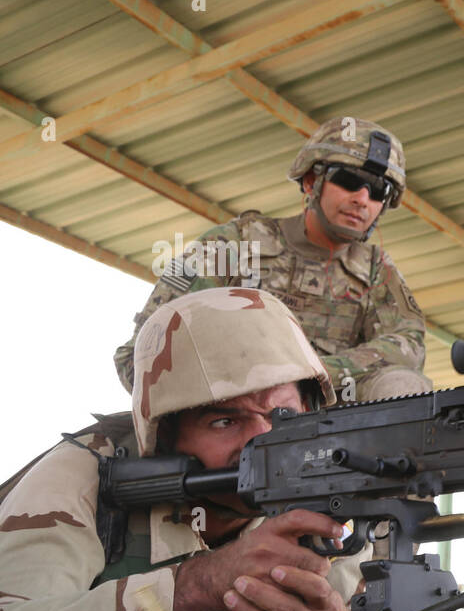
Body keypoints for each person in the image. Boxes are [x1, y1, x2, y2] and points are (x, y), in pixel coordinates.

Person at [0, 288, 368, 611]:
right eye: (225, 421)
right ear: (165, 438)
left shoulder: (330, 501)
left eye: (281, 415)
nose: (264, 442)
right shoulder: (82, 477)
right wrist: (193, 588)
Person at [113, 117, 430, 402]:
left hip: (329, 417)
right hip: (232, 409)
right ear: (310, 181)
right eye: (348, 181)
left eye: (378, 191)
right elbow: (144, 352)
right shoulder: (234, 244)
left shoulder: (376, 269)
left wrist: (310, 374)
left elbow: (408, 345)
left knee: (402, 385)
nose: (362, 199)